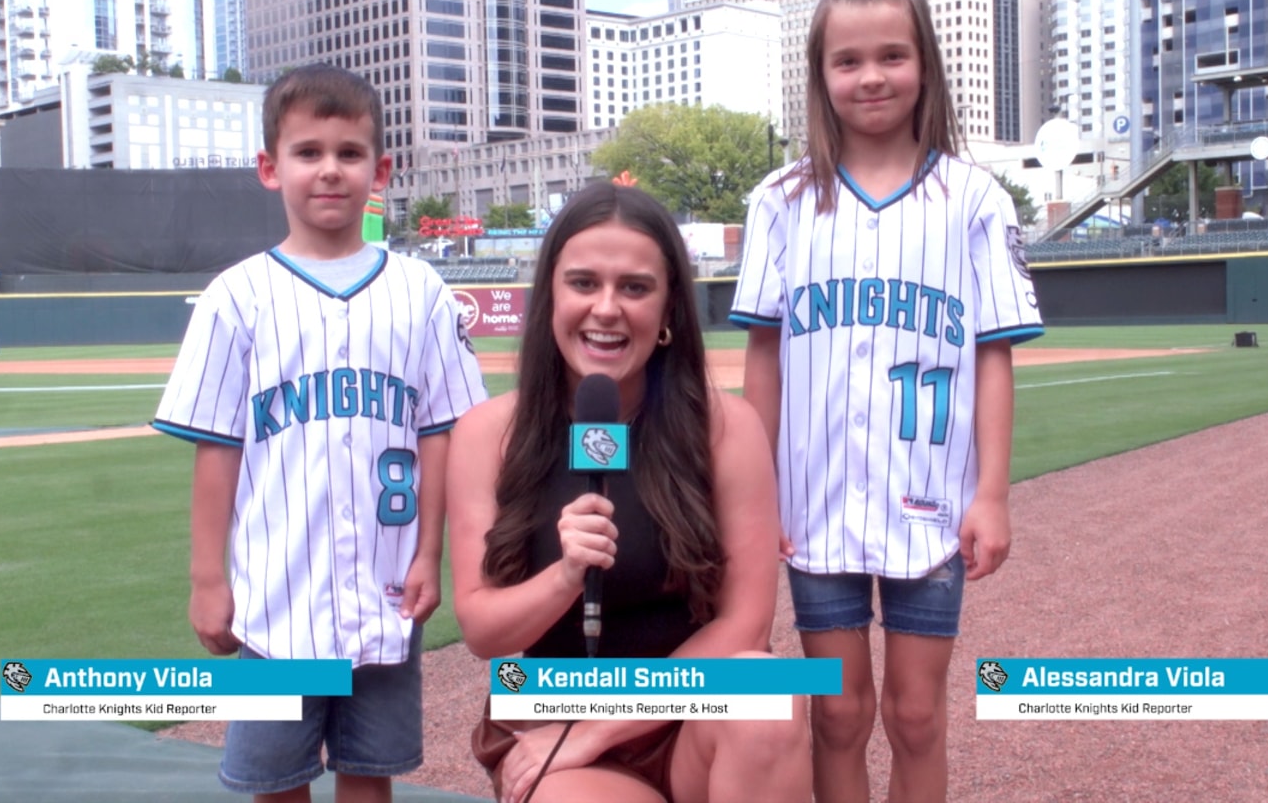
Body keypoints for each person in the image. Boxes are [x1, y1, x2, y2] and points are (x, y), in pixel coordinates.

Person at [729, 0, 1044, 803]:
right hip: (812, 505)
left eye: (893, 55)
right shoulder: (781, 200)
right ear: (821, 76)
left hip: (931, 502)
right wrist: (756, 493)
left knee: (916, 717)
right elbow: (764, 356)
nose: (871, 76)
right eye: (848, 60)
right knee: (838, 715)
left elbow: (993, 354)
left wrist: (995, 494)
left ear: (926, 66)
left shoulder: (975, 198)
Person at [152, 63, 487, 803]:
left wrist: (431, 552)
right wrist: (209, 579)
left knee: (369, 773)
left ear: (382, 169)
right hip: (278, 596)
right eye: (308, 152)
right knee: (276, 780)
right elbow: (219, 448)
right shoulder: (236, 297)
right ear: (271, 168)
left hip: (386, 591)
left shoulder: (420, 289)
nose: (329, 170)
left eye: (349, 152)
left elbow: (441, 434)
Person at [446, 181, 811, 803]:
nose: (607, 308)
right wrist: (564, 575)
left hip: (694, 714)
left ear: (668, 309)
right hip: (552, 726)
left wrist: (602, 725)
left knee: (768, 689)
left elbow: (746, 622)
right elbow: (484, 631)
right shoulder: (489, 434)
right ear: (550, 297)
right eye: (584, 283)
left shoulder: (725, 428)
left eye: (635, 287)